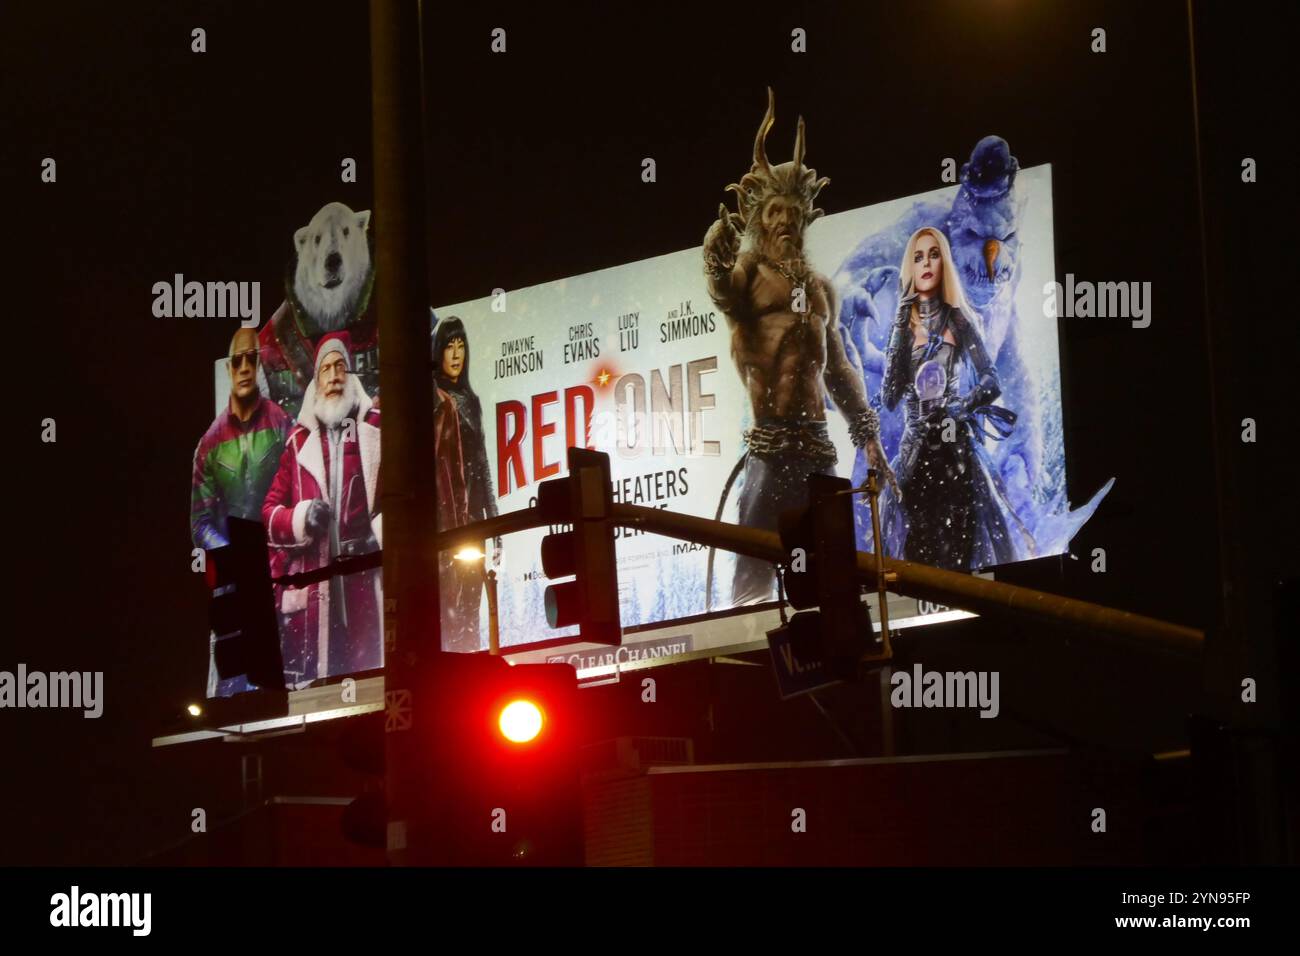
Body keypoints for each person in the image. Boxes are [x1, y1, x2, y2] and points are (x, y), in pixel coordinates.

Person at [703, 89, 895, 606]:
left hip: (817, 451)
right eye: (774, 213)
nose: (785, 221)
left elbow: (838, 370)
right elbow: (721, 289)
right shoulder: (747, 276)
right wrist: (713, 262)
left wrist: (866, 432)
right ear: (759, 220)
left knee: (833, 582)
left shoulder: (819, 289)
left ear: (803, 219)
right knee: (752, 586)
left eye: (792, 212)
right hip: (769, 451)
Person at [879, 227, 1034, 571]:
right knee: (915, 550)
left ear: (943, 260)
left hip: (954, 448)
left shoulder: (957, 319)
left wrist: (960, 408)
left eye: (933, 254)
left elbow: (991, 380)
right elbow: (889, 397)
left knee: (962, 548)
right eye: (918, 257)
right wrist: (899, 325)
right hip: (913, 454)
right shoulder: (902, 328)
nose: (926, 263)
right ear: (910, 266)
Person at [262, 332, 383, 681]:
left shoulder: (375, 428)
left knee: (371, 672)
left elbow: (401, 493)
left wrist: (381, 534)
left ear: (350, 375)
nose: (333, 376)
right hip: (318, 579)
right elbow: (268, 512)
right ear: (317, 381)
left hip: (364, 572)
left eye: (340, 366)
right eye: (325, 369)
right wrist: (300, 518)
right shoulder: (297, 442)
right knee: (325, 675)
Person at [191, 327, 292, 695]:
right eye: (238, 361)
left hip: (282, 578)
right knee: (241, 687)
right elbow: (199, 524)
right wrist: (236, 554)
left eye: (253, 359)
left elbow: (298, 489)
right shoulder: (209, 445)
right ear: (230, 369)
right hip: (238, 591)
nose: (246, 367)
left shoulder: (282, 425)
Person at [432, 316, 499, 651]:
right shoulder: (435, 401)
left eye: (461, 346)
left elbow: (483, 462)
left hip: (475, 521)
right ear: (438, 352)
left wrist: (496, 522)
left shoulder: (470, 400)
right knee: (453, 608)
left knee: (473, 605)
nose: (456, 354)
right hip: (450, 522)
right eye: (449, 346)